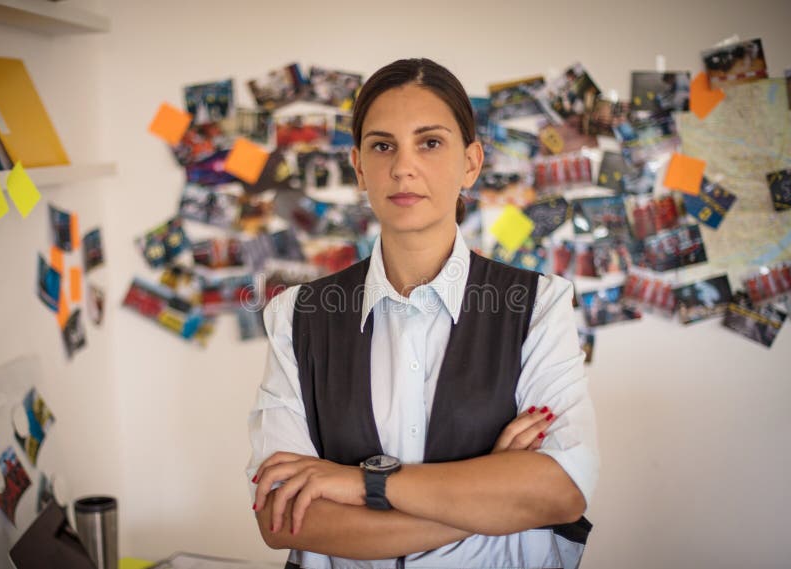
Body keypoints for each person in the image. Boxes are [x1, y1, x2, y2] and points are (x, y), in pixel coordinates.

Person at [246, 58, 599, 569]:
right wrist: (490, 501)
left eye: (429, 142)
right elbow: (282, 518)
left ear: (471, 163)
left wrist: (360, 483)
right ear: (359, 167)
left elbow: (563, 493)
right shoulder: (297, 317)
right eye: (382, 146)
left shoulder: (538, 306)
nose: (402, 167)